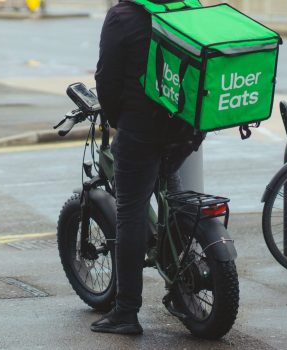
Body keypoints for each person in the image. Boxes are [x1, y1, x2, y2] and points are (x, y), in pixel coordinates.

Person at [92, 0, 199, 335]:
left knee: (130, 212)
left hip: (141, 128)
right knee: (172, 188)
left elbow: (106, 78)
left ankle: (126, 311)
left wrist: (115, 120)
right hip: (187, 127)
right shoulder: (187, 7)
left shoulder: (123, 16)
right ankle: (183, 287)